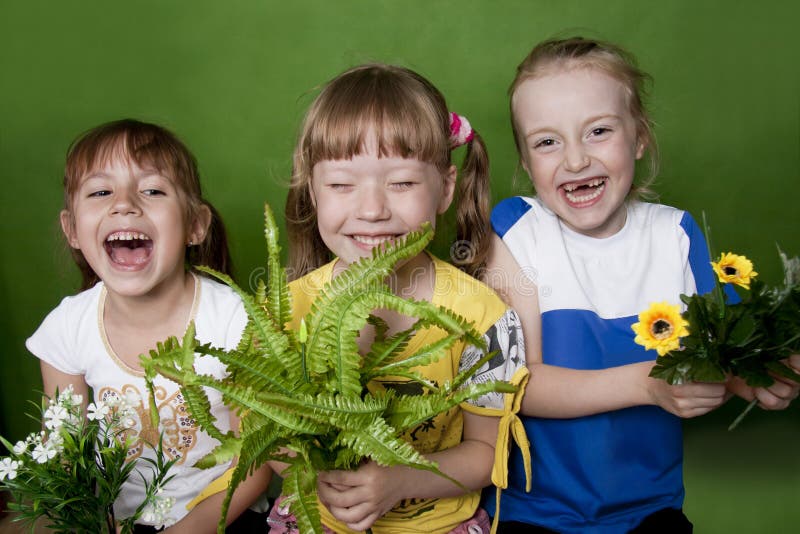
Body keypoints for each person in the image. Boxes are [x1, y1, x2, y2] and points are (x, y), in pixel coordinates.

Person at [483, 37, 800, 533]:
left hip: (651, 510)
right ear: (525, 162)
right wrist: (645, 385)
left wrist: (758, 379)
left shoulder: (674, 235)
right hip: (532, 513)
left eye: (598, 131)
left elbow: (722, 359)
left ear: (639, 138)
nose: (574, 160)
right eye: (547, 141)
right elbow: (511, 385)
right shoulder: (515, 231)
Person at [268, 64, 528, 534]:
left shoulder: (486, 318)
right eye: (342, 184)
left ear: (445, 189)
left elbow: (489, 454)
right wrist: (319, 479)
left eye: (402, 183)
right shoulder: (283, 313)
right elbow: (265, 434)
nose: (371, 210)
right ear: (313, 190)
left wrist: (399, 480)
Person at [26, 119, 271, 532]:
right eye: (101, 192)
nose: (124, 204)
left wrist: (185, 530)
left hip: (225, 514)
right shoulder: (66, 328)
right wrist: (96, 522)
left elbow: (256, 461)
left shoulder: (235, 320)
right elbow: (68, 456)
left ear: (196, 225)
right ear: (71, 230)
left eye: (152, 190)